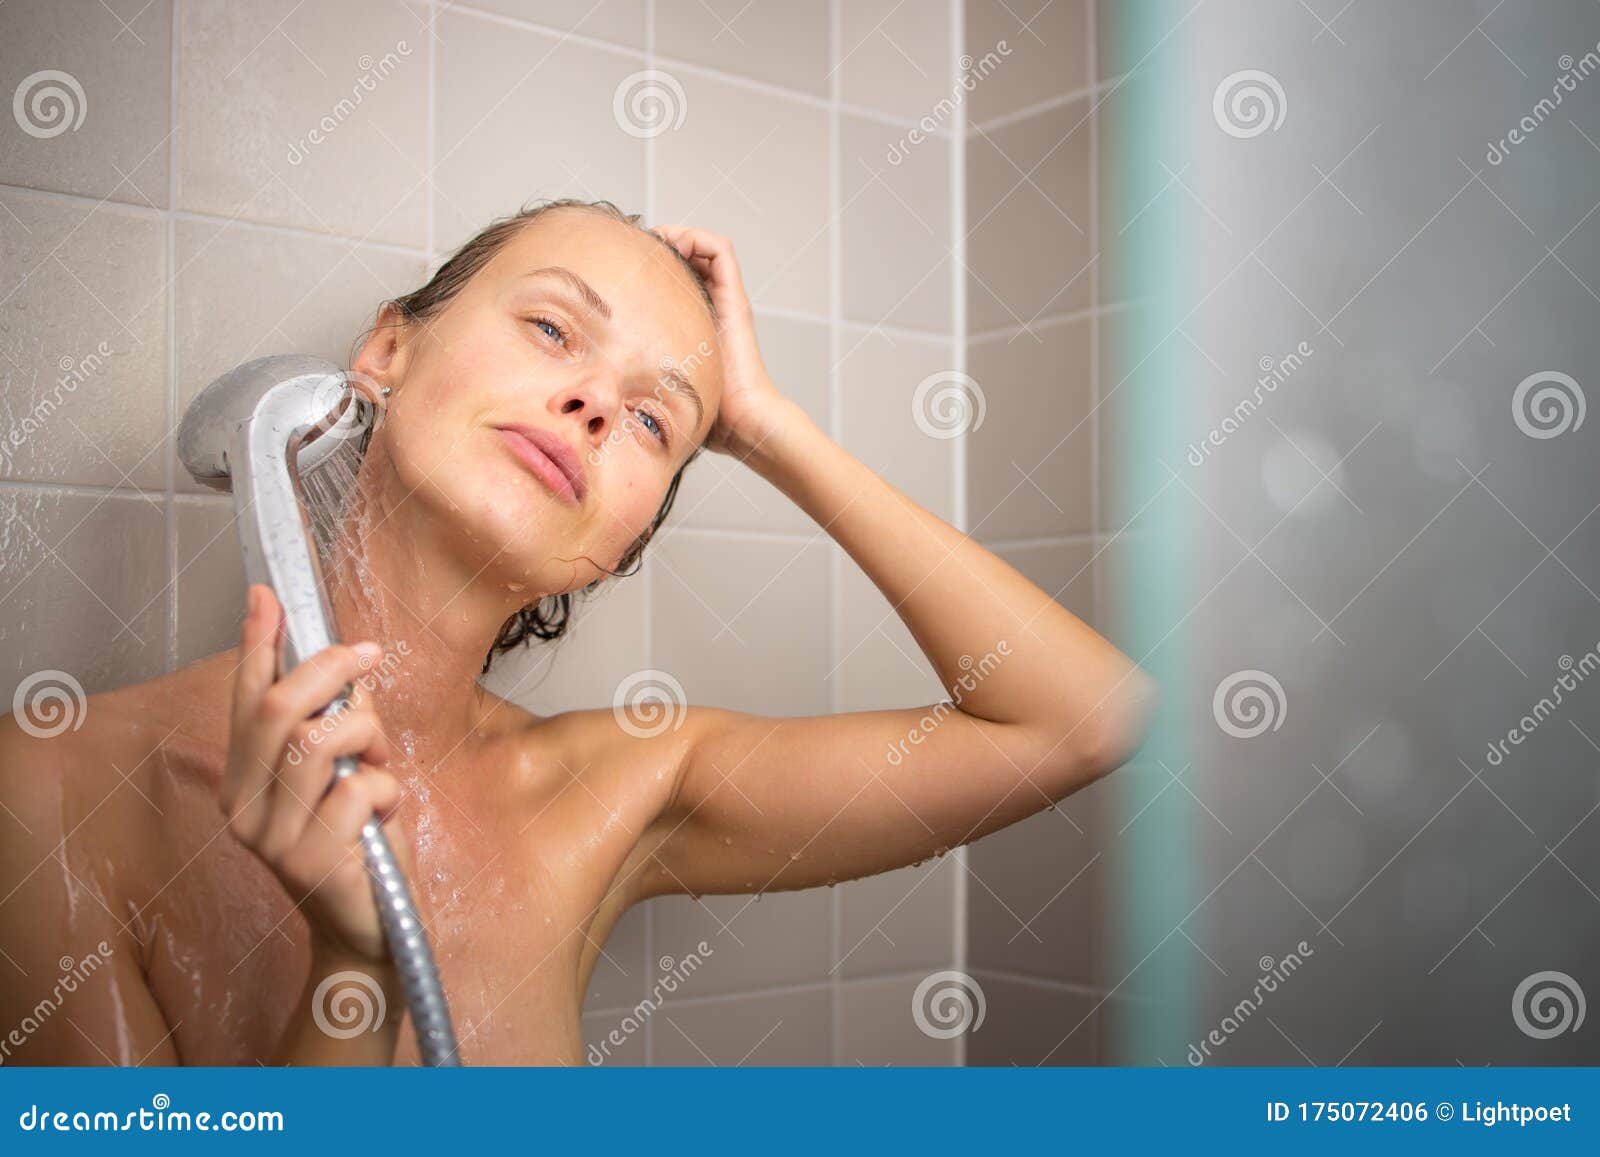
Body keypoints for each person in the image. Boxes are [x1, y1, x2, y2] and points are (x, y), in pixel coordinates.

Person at [0, 199, 1156, 1065]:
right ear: (388, 350)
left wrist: (768, 427)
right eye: (553, 328)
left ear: (624, 537)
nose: (599, 403)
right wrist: (351, 967)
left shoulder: (624, 788)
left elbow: (1083, 716)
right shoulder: (49, 787)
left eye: (654, 420)